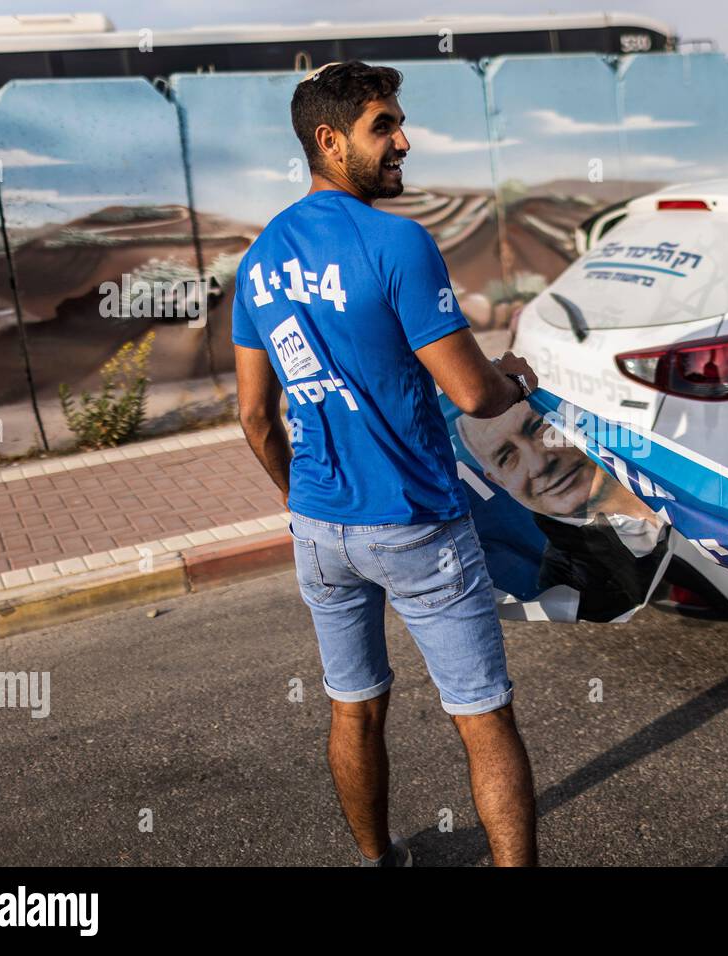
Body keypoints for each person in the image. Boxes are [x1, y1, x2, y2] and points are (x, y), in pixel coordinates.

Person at [232, 61, 540, 867]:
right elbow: (473, 394)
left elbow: (255, 416)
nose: (403, 141)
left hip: (321, 531)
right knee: (483, 718)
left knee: (353, 709)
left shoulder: (260, 258)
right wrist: (520, 378)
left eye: (400, 123)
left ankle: (379, 863)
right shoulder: (398, 242)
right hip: (418, 529)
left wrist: (303, 501)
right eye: (384, 127)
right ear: (330, 141)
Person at [456, 402, 671, 621]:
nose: (538, 464)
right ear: (500, 482)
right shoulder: (569, 582)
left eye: (541, 427)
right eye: (507, 457)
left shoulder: (667, 446)